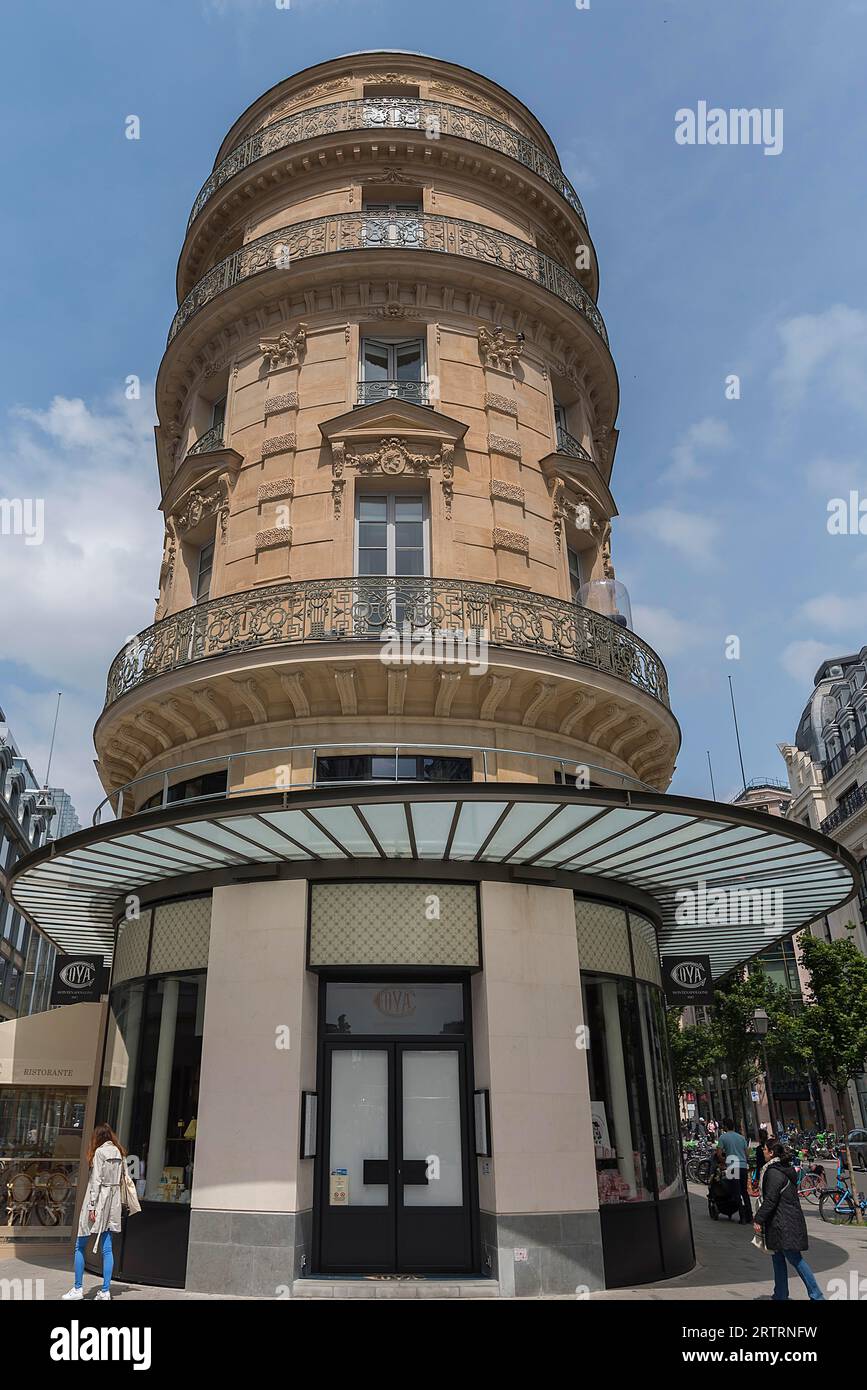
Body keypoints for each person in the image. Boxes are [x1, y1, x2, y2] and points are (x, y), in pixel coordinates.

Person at [753, 1137, 824, 1301]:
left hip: (783, 1222)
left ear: (771, 1153)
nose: (762, 1151)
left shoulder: (773, 1172)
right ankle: (780, 1294)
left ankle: (817, 1296)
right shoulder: (782, 1168)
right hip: (781, 1221)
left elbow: (770, 1199)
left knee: (795, 1259)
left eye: (764, 1149)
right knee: (777, 1258)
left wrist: (758, 1219)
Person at [62, 1123, 125, 1301]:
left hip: (98, 1202)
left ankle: (77, 1288)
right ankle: (105, 1291)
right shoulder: (119, 1153)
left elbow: (96, 1181)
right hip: (112, 1203)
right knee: (107, 1249)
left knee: (80, 1245)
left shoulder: (99, 1153)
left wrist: (91, 1206)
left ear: (97, 1137)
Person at [716, 1118, 752, 1224]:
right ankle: (749, 1215)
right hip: (743, 1166)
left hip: (733, 1167)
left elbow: (718, 1154)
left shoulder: (723, 1137)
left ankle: (742, 1217)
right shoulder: (741, 1138)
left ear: (726, 1127)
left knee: (736, 1192)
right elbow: (747, 1154)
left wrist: (725, 1160)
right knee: (744, 1192)